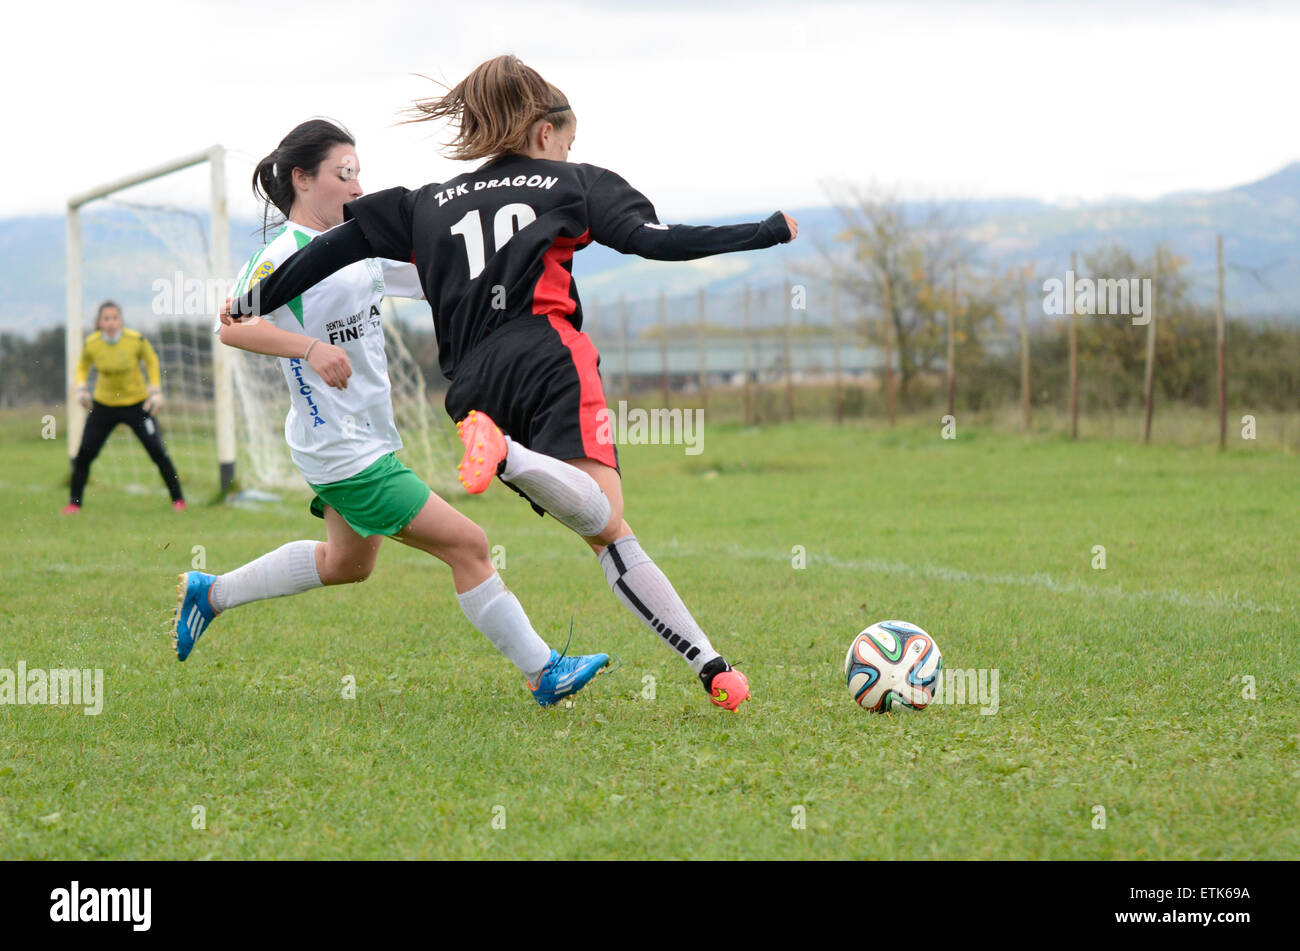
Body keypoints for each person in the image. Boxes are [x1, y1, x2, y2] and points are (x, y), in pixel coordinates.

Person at [226, 57, 799, 711]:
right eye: (568, 141)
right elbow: (654, 240)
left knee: (601, 529)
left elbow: (336, 247)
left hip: (472, 385)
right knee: (607, 518)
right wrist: (765, 231)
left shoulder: (428, 201)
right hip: (550, 356)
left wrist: (255, 300)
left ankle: (711, 666)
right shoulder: (572, 184)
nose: (569, 153)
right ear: (544, 133)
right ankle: (508, 457)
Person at [177, 118, 608, 707]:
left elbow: (441, 276)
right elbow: (233, 328)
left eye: (360, 174)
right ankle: (543, 672)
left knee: (347, 564)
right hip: (341, 450)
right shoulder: (279, 257)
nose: (357, 187)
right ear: (303, 179)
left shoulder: (360, 250)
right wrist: (310, 347)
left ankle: (213, 593)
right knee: (469, 544)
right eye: (343, 174)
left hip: (364, 438)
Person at [66, 301, 185, 513]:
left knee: (158, 451)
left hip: (137, 405)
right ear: (99, 322)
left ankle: (178, 500)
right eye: (106, 319)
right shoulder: (92, 343)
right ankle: (74, 504)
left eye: (115, 318)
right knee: (84, 454)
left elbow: (152, 361)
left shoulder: (135, 340)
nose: (111, 323)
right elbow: (82, 366)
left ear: (120, 320)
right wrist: (82, 388)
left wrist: (155, 391)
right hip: (104, 405)